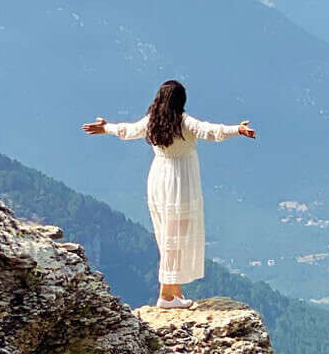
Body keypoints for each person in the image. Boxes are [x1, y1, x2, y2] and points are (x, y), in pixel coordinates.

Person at [82, 80, 256, 308]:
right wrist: (238, 129)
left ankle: (174, 292)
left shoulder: (153, 121)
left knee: (167, 236)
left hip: (158, 179)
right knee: (176, 238)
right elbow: (211, 131)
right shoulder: (184, 122)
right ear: (180, 101)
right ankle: (165, 296)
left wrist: (106, 127)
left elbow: (127, 130)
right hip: (180, 182)